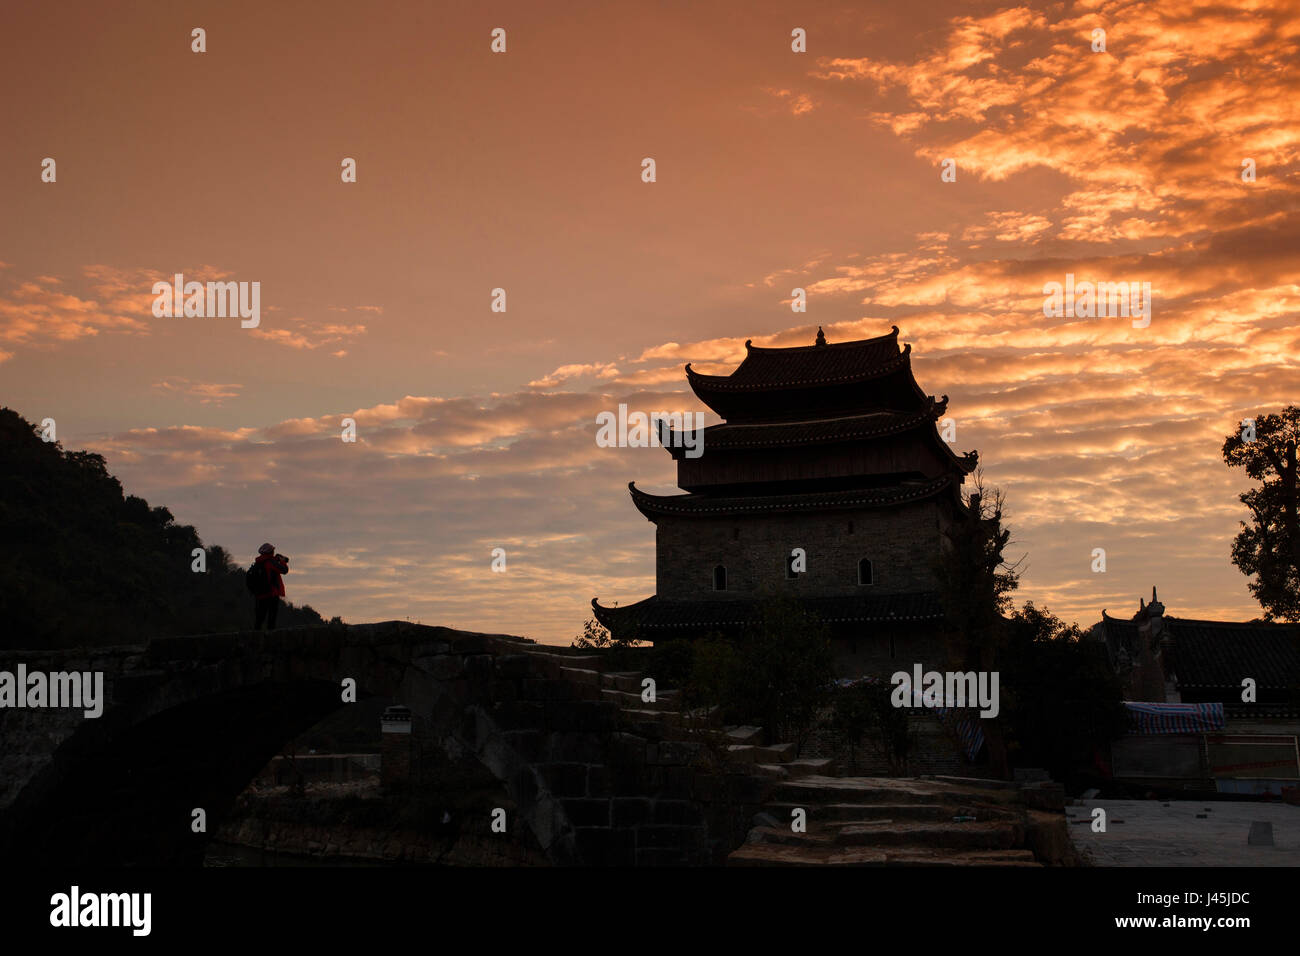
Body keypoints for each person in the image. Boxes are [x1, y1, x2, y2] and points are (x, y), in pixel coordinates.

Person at [252, 543, 290, 630]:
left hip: (260, 594)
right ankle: (270, 637)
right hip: (272, 594)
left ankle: (255, 636)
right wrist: (282, 561)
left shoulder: (258, 563)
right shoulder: (270, 562)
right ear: (271, 552)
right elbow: (284, 570)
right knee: (272, 617)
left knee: (260, 618)